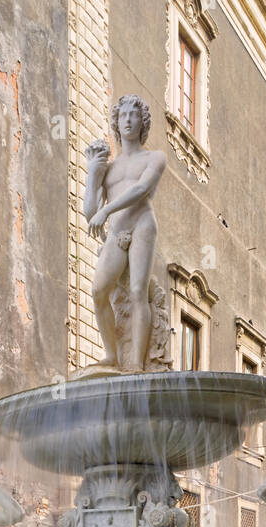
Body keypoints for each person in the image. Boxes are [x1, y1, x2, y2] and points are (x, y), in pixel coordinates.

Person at [84, 94, 166, 373]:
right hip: (116, 232)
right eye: (123, 116)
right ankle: (111, 355)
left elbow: (141, 190)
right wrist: (92, 175)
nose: (128, 120)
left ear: (142, 121)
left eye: (133, 115)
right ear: (116, 123)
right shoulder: (110, 168)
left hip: (142, 225)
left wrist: (106, 212)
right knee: (98, 290)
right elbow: (89, 212)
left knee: (136, 291)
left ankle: (136, 363)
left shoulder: (155, 157)